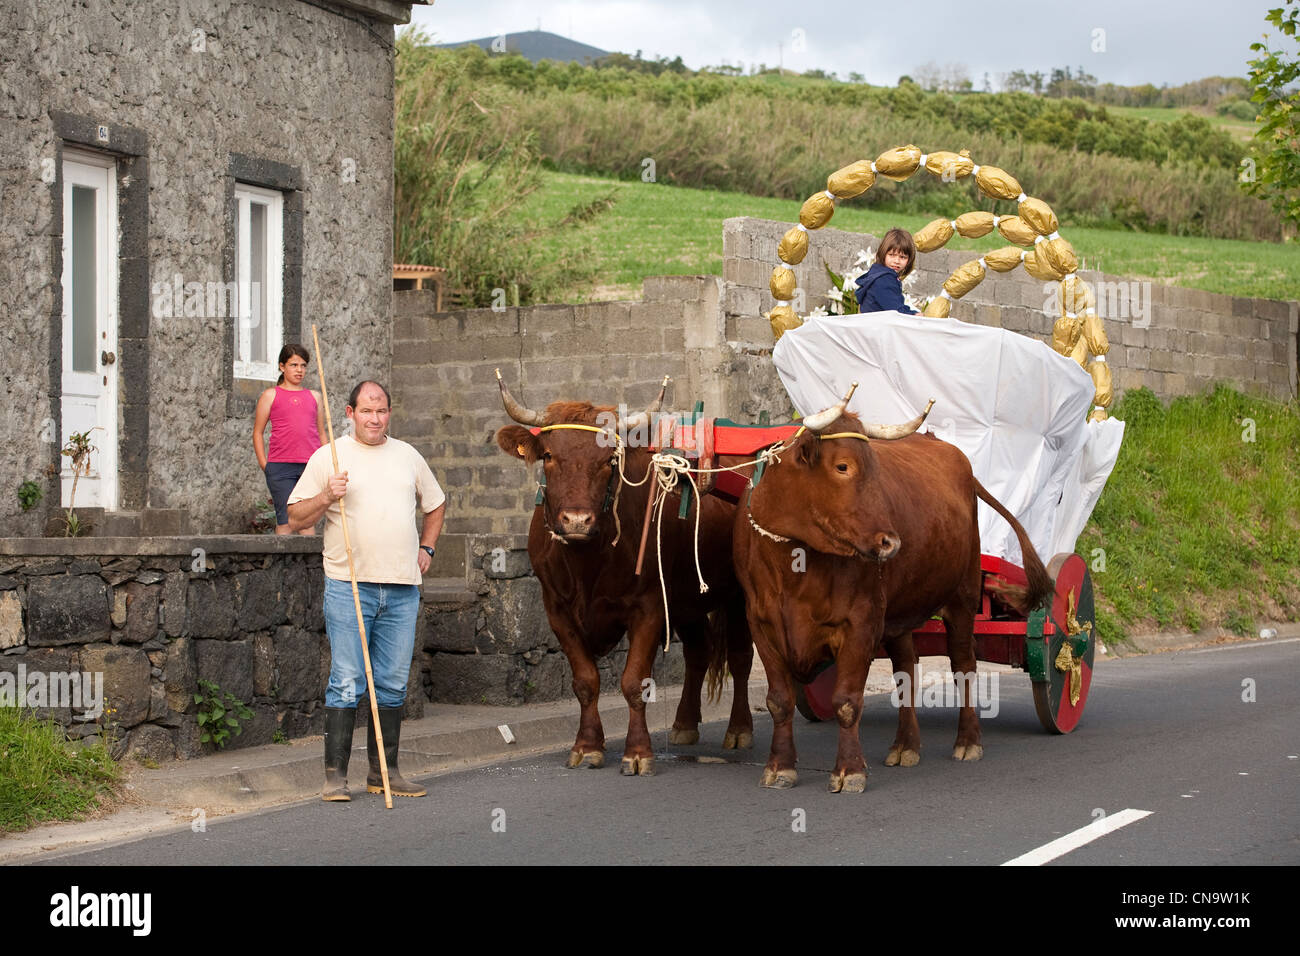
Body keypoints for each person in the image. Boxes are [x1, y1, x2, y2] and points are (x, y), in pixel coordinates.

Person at [286, 381, 446, 801]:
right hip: (348, 585)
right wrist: (326, 495)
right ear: (350, 412)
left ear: (389, 413)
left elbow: (436, 502)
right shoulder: (330, 456)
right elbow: (295, 511)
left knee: (392, 683)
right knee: (347, 680)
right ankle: (335, 777)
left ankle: (384, 774)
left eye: (382, 411)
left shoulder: (408, 455)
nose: (375, 418)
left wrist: (427, 546)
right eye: (367, 411)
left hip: (401, 589)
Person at [253, 344, 327, 535]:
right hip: (280, 466)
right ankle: (282, 564)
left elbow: (321, 432)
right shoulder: (271, 395)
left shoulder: (315, 396)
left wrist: (327, 463)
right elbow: (258, 432)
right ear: (282, 366)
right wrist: (265, 465)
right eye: (294, 365)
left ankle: (310, 565)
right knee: (285, 520)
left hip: (310, 466)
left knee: (306, 521)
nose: (299, 370)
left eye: (303, 365)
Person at [854, 227, 919, 315]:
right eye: (892, 255)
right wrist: (914, 314)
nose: (897, 261)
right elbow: (896, 311)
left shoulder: (878, 273)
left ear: (909, 260)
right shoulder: (883, 280)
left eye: (902, 257)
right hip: (875, 326)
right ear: (883, 254)